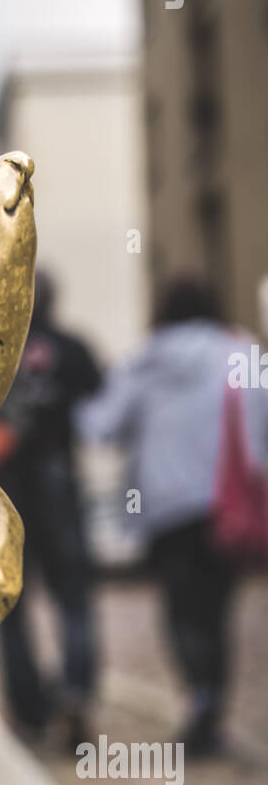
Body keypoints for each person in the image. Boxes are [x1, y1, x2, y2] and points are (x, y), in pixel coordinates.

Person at [78, 275, 268, 756]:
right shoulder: (241, 349)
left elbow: (99, 425)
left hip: (162, 505)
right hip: (220, 503)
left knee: (181, 612)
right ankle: (212, 703)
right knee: (217, 609)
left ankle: (197, 695)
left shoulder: (145, 359)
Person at [0, 271, 101, 746]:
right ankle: (76, 691)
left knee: (12, 601)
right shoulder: (71, 347)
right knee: (74, 594)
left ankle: (30, 710)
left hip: (8, 494)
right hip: (59, 481)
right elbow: (97, 391)